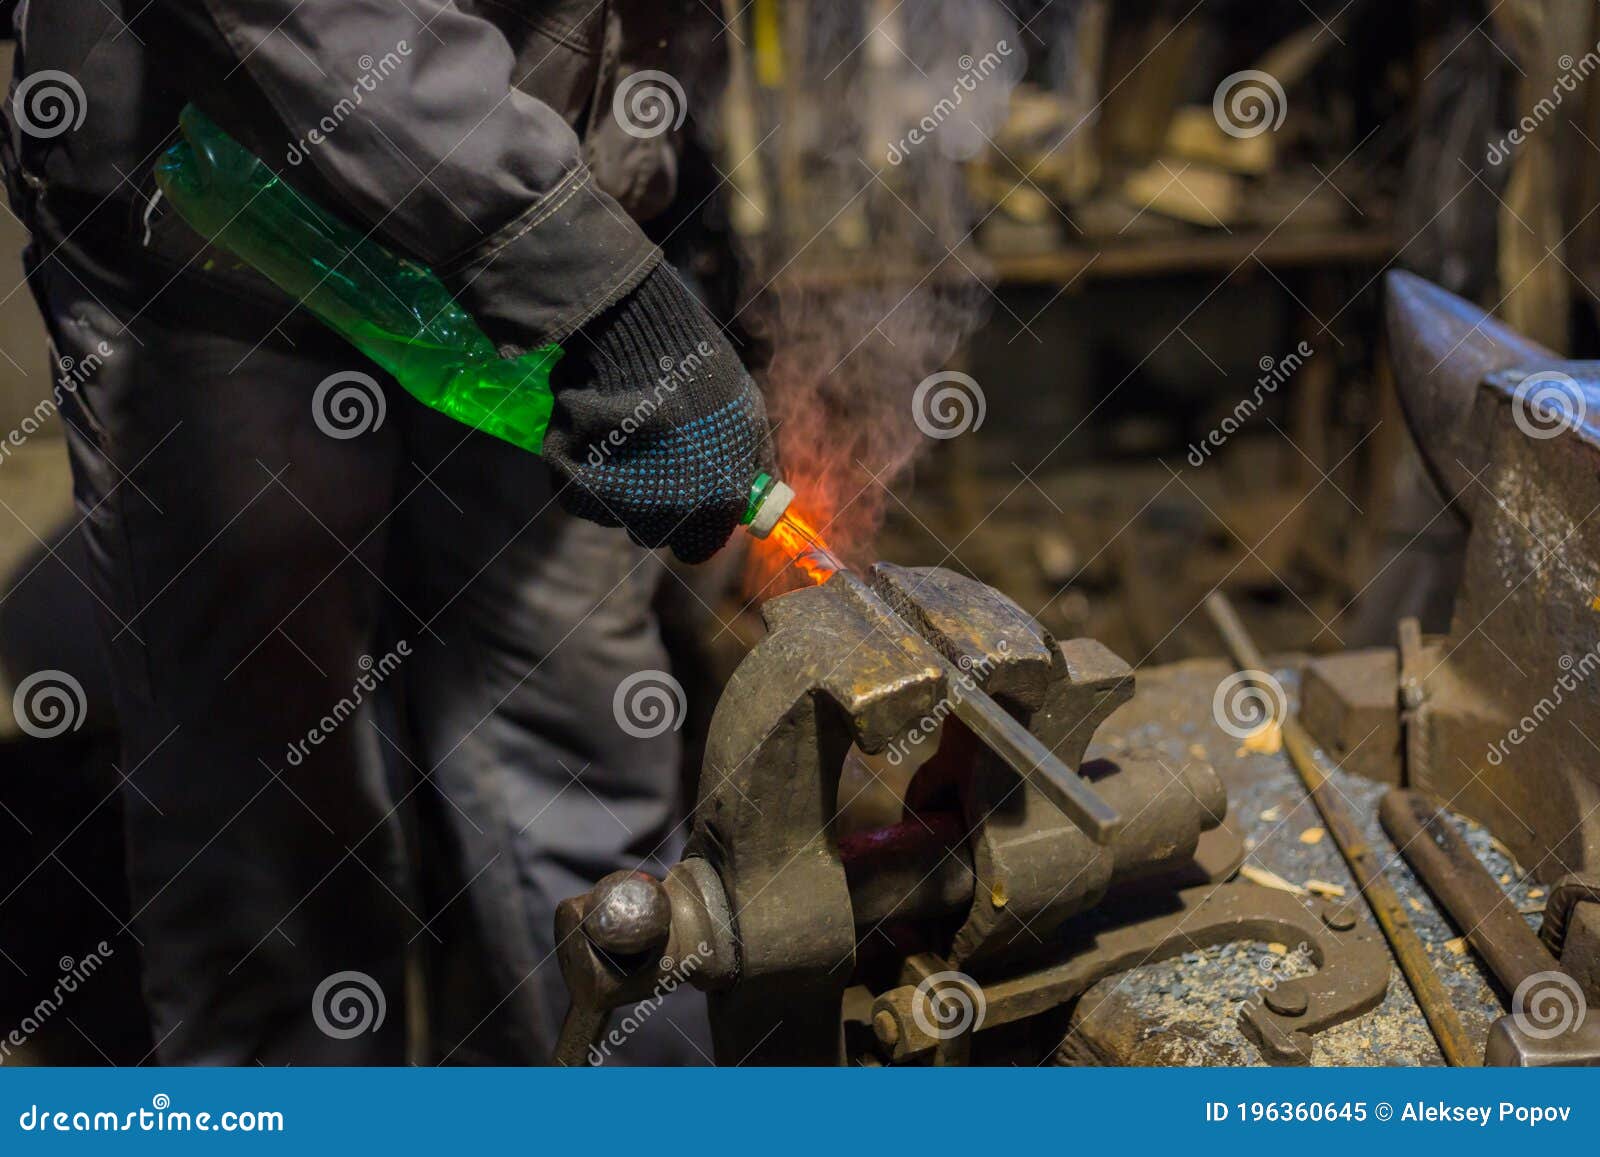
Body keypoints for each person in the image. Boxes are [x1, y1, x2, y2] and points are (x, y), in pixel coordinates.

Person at [3, 0, 770, 1064]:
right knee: (271, 841)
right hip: (217, 218)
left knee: (581, 771)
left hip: (541, 211)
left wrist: (675, 182)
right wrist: (593, 288)